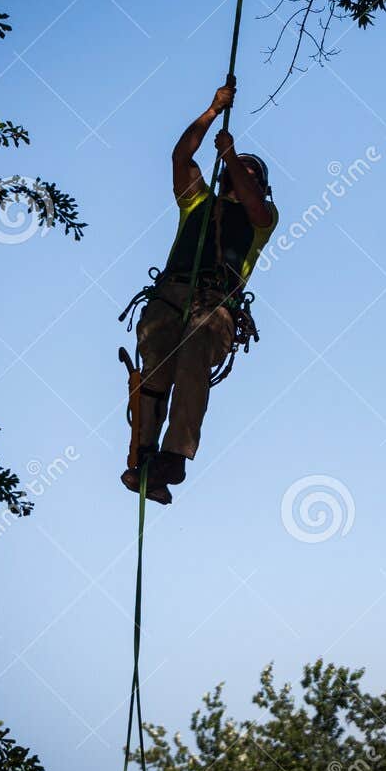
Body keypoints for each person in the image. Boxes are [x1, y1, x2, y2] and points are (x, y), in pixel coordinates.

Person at [121, 81, 278, 503]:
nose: (240, 174)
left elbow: (254, 203)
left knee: (193, 360)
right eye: (237, 170)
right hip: (170, 295)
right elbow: (181, 157)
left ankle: (175, 456)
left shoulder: (263, 219)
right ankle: (145, 456)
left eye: (250, 173)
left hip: (214, 305)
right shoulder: (197, 202)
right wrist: (212, 111)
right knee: (156, 370)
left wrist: (230, 155)